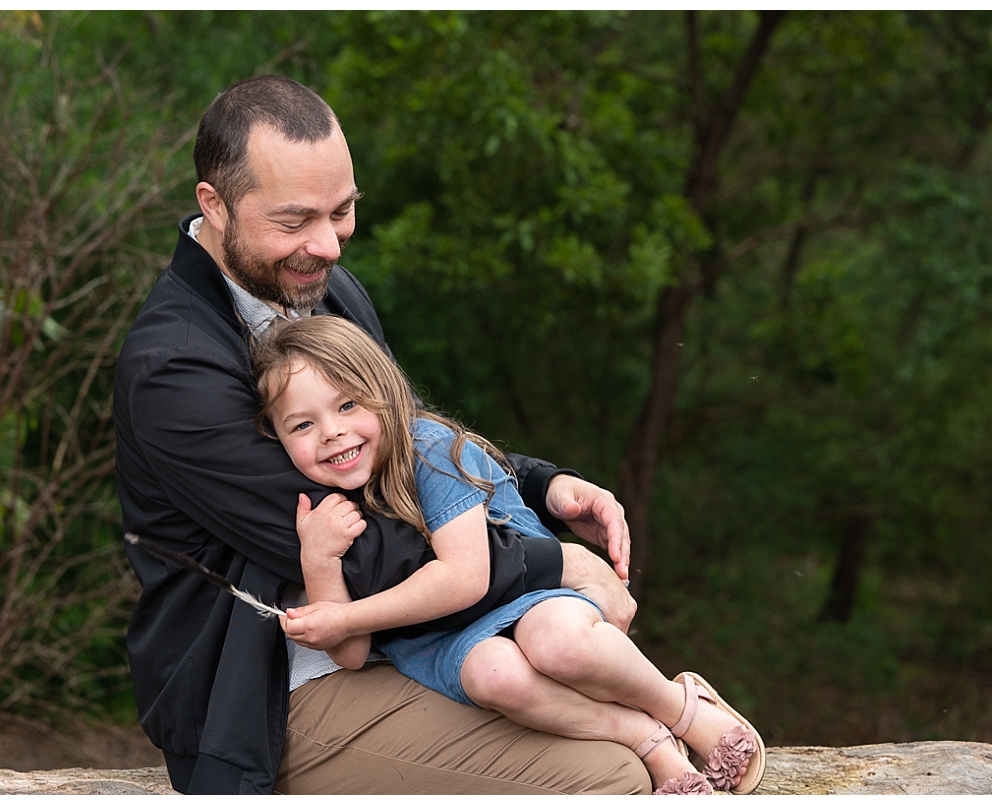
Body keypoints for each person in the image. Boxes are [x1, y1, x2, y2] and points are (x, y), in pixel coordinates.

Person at [113, 74, 649, 794]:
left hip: (406, 633)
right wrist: (545, 563)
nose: (327, 244)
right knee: (606, 775)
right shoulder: (173, 366)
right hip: (272, 690)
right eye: (296, 219)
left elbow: (403, 437)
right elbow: (364, 550)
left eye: (343, 212)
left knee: (601, 694)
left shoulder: (323, 287)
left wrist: (538, 483)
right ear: (214, 204)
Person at [251, 314, 766, 796]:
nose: (332, 432)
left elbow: (467, 578)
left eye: (347, 406)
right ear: (276, 439)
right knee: (493, 676)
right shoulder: (321, 509)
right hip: (439, 639)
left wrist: (343, 616)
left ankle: (681, 709)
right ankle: (644, 737)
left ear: (386, 394)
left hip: (522, 590)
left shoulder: (427, 449)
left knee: (559, 644)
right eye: (302, 426)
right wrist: (317, 560)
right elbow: (352, 652)